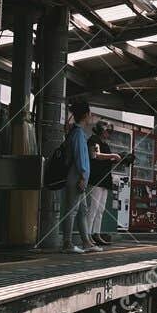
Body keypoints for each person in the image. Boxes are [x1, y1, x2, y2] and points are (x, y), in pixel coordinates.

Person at [62, 99, 95, 253]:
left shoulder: (75, 133)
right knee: (72, 211)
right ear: (86, 115)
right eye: (90, 113)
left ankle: (86, 242)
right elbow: (80, 158)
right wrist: (83, 176)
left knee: (82, 210)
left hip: (76, 177)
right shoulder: (78, 134)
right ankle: (67, 243)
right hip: (76, 177)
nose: (91, 116)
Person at [85, 121, 123, 248]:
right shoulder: (94, 140)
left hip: (104, 179)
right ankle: (88, 234)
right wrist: (112, 155)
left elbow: (104, 158)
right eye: (108, 131)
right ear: (102, 130)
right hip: (96, 179)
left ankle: (96, 233)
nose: (109, 134)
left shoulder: (104, 143)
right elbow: (95, 155)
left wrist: (119, 159)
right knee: (93, 209)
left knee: (100, 209)